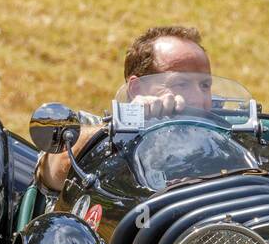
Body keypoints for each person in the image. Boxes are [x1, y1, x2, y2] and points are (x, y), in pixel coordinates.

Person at [36, 25, 211, 192]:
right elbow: (52, 172)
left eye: (205, 85)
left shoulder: (219, 142)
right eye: (181, 83)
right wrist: (130, 122)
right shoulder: (95, 128)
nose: (199, 98)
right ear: (137, 88)